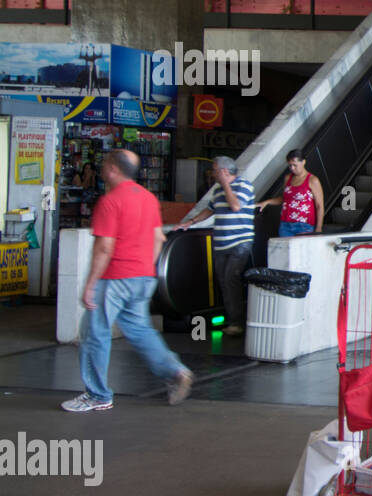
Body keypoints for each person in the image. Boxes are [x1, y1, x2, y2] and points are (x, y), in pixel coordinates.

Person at [61, 150, 193, 412]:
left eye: (104, 164)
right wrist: (143, 267)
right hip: (143, 277)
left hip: (114, 278)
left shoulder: (110, 202)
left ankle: (97, 394)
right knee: (141, 330)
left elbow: (104, 248)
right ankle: (175, 371)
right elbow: (158, 239)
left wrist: (90, 284)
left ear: (112, 168)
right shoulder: (148, 199)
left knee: (94, 334)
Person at [175, 155, 255, 336]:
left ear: (224, 171)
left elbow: (236, 206)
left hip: (239, 242)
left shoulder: (244, 186)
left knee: (231, 280)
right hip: (221, 244)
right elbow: (210, 209)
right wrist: (191, 221)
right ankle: (232, 319)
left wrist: (226, 184)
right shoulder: (218, 190)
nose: (212, 174)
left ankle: (237, 323)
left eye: (215, 170)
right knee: (224, 283)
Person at [256, 150, 324, 237]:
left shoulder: (312, 180)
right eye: (290, 165)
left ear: (303, 162)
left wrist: (319, 227)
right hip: (285, 224)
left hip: (304, 225)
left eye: (295, 165)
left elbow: (319, 206)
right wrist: (266, 202)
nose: (292, 168)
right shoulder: (288, 178)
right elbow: (285, 198)